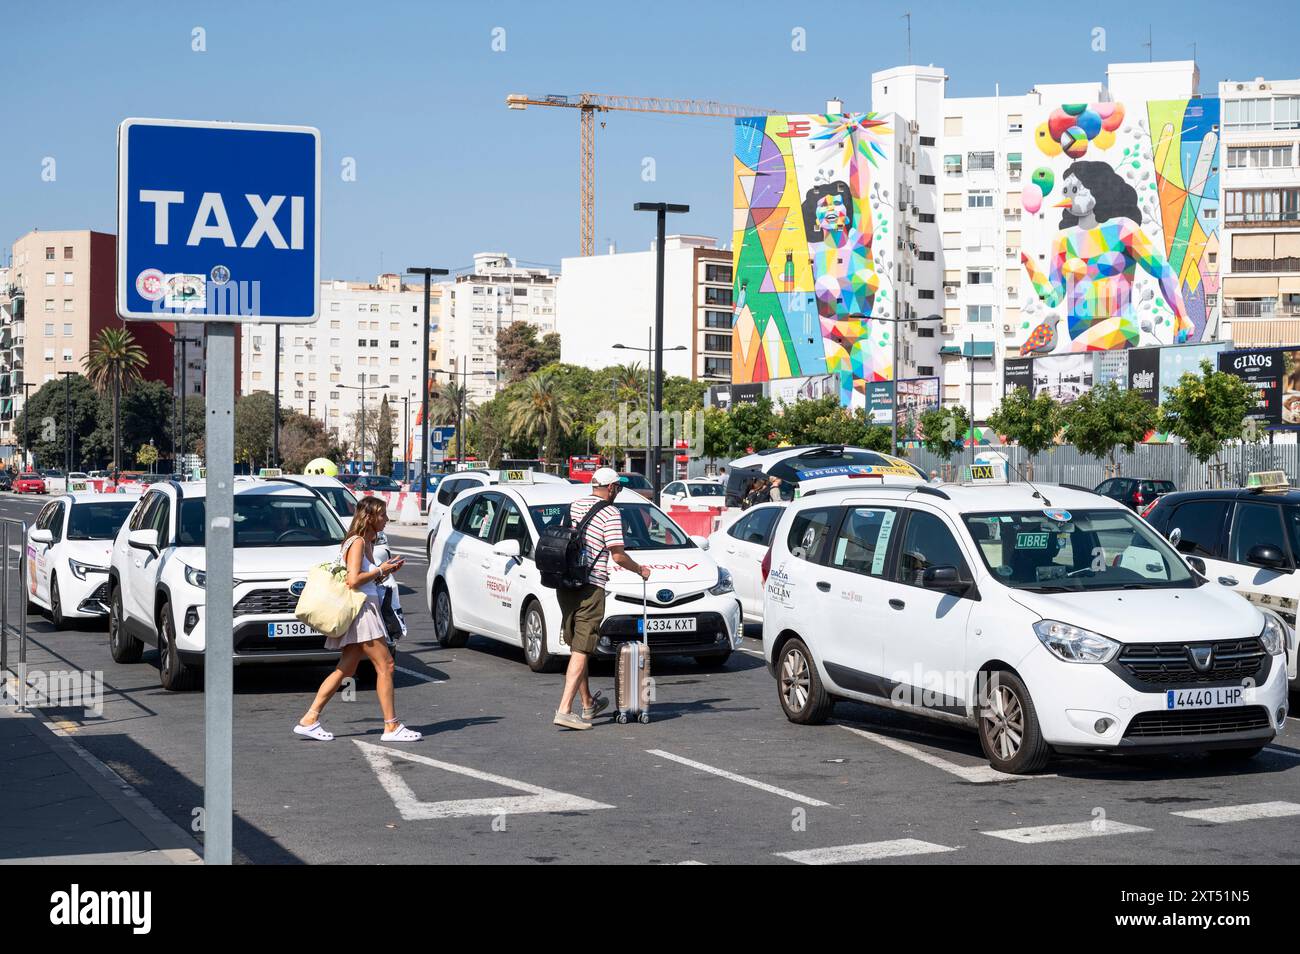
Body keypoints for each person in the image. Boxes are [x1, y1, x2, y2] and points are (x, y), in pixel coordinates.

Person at [294, 497, 419, 743]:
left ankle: (310, 718)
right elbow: (353, 580)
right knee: (386, 665)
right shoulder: (358, 542)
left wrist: (385, 571)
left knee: (347, 668)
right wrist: (381, 570)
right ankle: (391, 726)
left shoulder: (365, 543)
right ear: (370, 517)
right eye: (382, 515)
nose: (386, 519)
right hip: (362, 612)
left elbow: (365, 578)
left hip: (363, 607)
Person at [555, 468, 650, 731]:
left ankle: (587, 704)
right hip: (590, 586)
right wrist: (640, 569)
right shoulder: (610, 513)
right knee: (583, 647)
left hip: (565, 584)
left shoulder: (573, 506)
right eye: (617, 488)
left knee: (577, 646)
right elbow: (617, 555)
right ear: (611, 488)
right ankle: (564, 709)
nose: (617, 492)